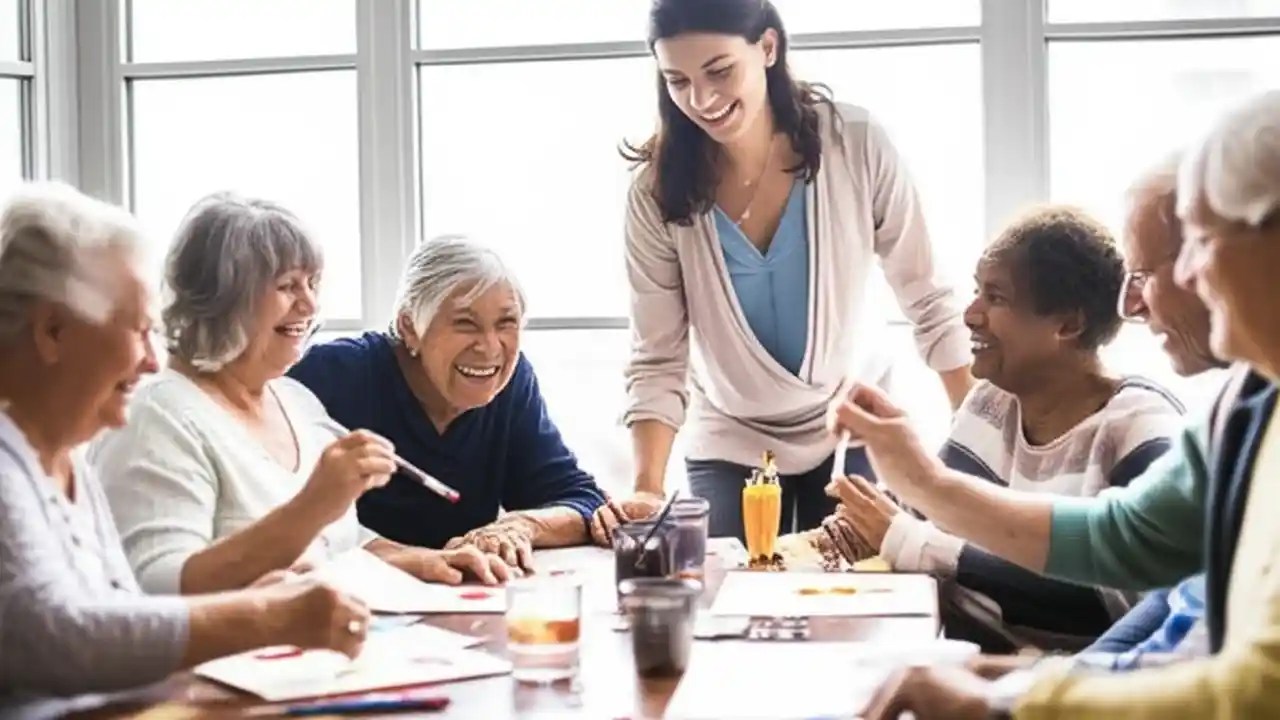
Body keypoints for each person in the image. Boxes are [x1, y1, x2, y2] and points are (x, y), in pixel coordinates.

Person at [855, 89, 1280, 720]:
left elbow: (1253, 693)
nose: (1186, 276)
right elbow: (1126, 535)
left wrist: (1011, 696)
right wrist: (923, 481)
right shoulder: (1247, 402)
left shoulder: (1151, 419)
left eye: (1203, 240)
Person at [0, 182, 370, 706]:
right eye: (137, 330)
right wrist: (267, 616)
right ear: (53, 332)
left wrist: (258, 602)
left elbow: (120, 621)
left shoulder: (61, 464)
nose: (153, 361)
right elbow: (55, 639)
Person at [620, 0, 973, 541]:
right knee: (725, 585)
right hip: (729, 431)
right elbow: (657, 353)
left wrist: (978, 443)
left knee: (856, 590)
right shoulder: (656, 192)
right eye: (677, 80)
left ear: (767, 48)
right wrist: (647, 486)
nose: (700, 99)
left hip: (850, 423)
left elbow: (926, 297)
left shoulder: (854, 143)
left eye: (719, 71)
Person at [92, 194, 510, 596]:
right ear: (225, 295)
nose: (310, 305)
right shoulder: (157, 414)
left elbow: (336, 546)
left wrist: (421, 560)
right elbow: (157, 587)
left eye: (313, 283)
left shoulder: (294, 400)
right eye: (288, 286)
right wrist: (313, 506)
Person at [817, 206, 1185, 652]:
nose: (970, 315)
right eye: (976, 291)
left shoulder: (1139, 430)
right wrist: (865, 523)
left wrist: (907, 539)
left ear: (1068, 323)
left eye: (996, 297)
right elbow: (930, 522)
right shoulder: (989, 403)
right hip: (965, 668)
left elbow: (1125, 607)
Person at [287, 235, 616, 570]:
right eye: (465, 323)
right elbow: (276, 517)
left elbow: (583, 501)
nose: (489, 347)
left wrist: (520, 526)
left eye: (506, 323)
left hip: (456, 599)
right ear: (410, 326)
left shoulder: (512, 383)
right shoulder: (330, 376)